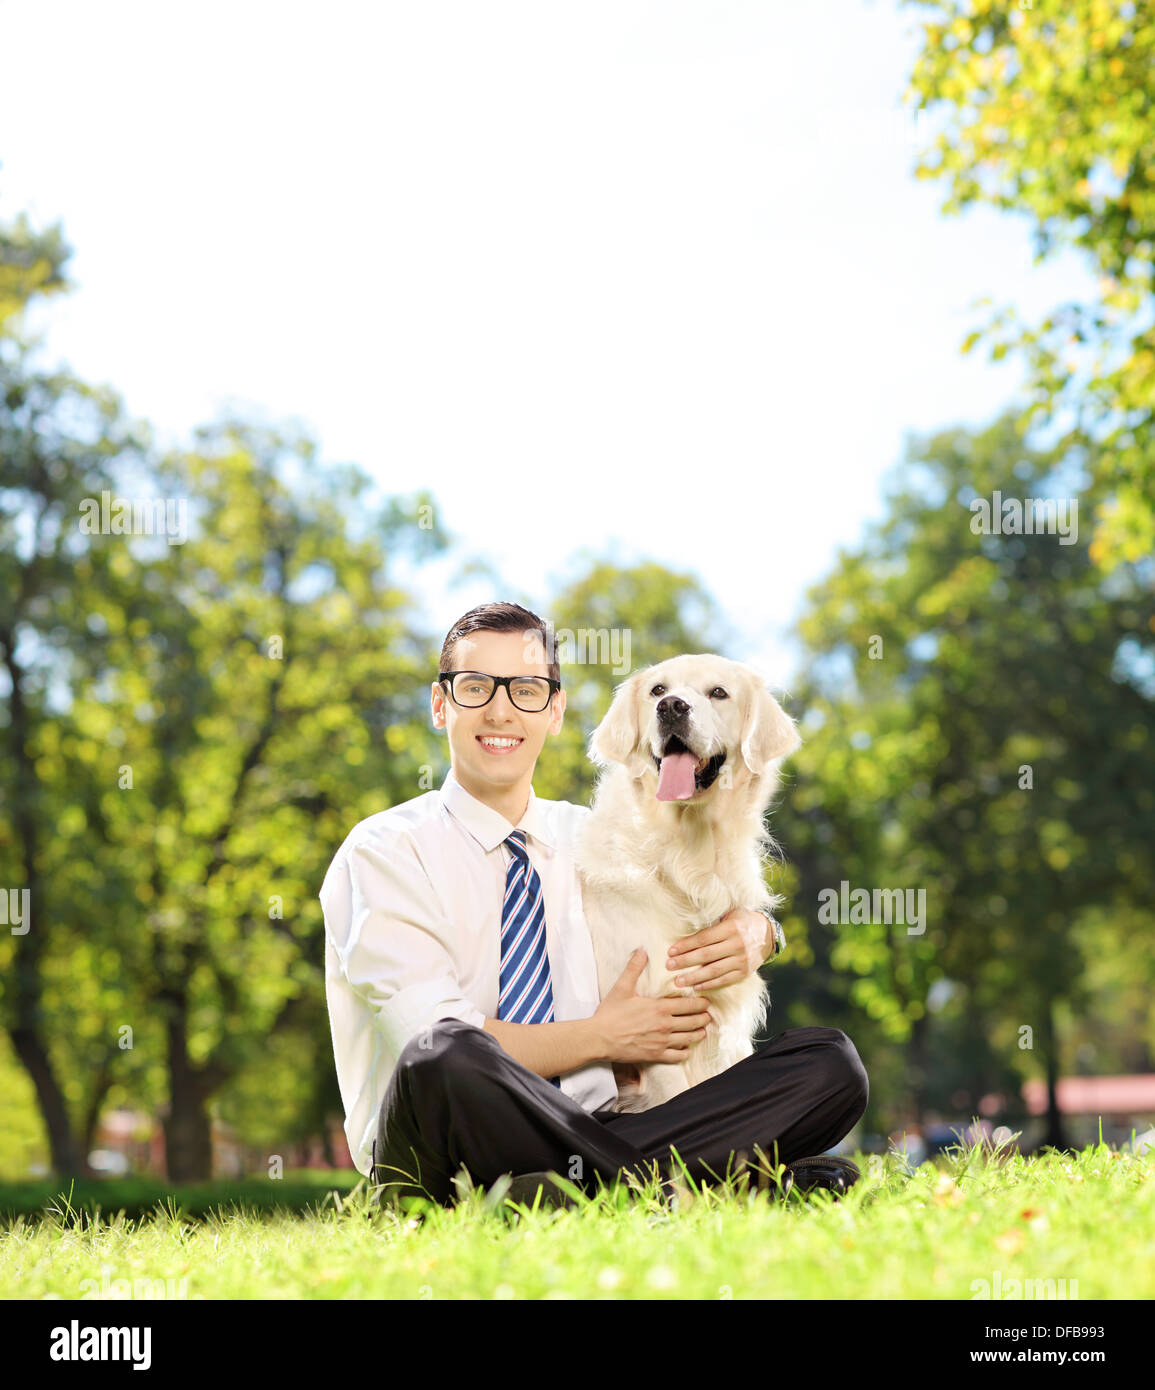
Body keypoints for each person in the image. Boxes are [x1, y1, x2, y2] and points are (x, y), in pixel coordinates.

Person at [320, 601, 868, 1210]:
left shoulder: (598, 840)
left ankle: (576, 1191)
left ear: (554, 711)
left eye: (525, 690)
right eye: (476, 688)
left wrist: (760, 929)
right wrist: (601, 1038)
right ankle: (726, 1175)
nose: (500, 710)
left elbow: (703, 888)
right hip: (440, 1147)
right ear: (440, 703)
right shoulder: (382, 851)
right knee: (444, 1054)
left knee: (831, 1064)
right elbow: (424, 1035)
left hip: (597, 1126)